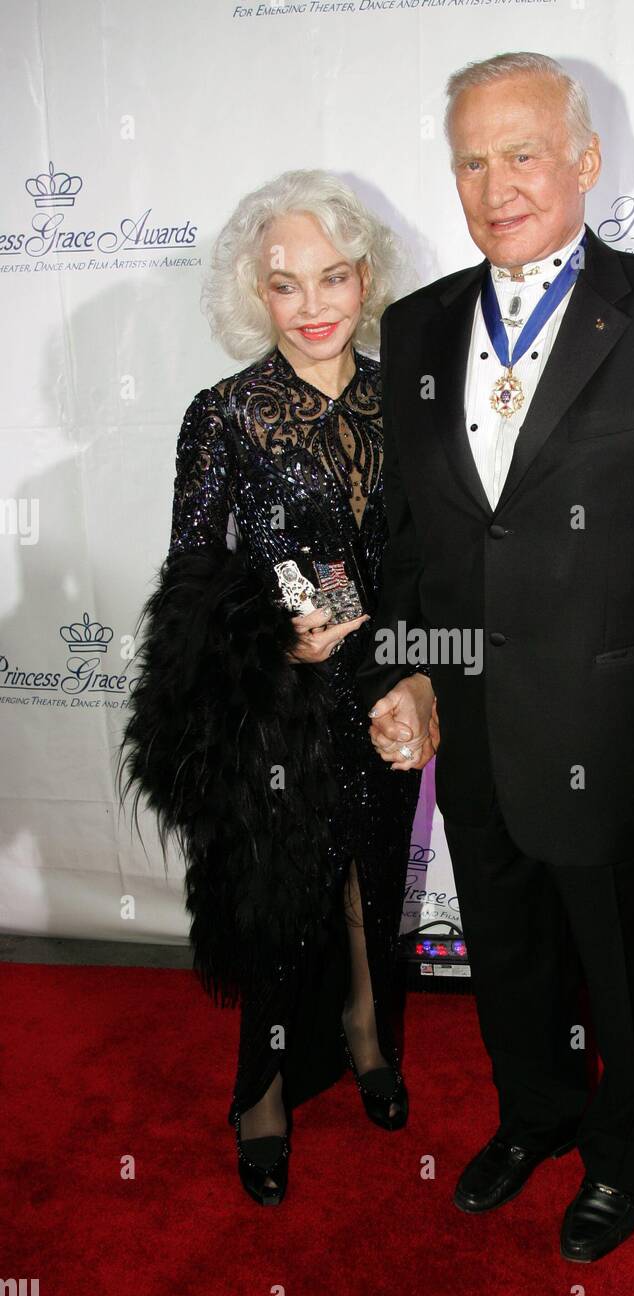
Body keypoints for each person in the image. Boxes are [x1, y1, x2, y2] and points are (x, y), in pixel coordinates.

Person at [359, 52, 634, 1262]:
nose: (496, 183)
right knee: (508, 946)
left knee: (624, 962)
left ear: (586, 163)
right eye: (471, 159)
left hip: (616, 727)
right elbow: (417, 542)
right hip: (472, 729)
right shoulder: (417, 323)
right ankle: (534, 1111)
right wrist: (415, 669)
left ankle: (626, 1152)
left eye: (522, 151)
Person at [119, 169, 424, 1207]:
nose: (312, 305)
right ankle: (260, 1092)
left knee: (371, 882)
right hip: (280, 708)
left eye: (331, 276)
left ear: (365, 276)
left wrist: (420, 672)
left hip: (385, 692)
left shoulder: (409, 400)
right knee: (282, 899)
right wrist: (273, 641)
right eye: (285, 285)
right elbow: (190, 575)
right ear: (256, 295)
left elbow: (437, 560)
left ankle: (367, 1037)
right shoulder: (225, 415)